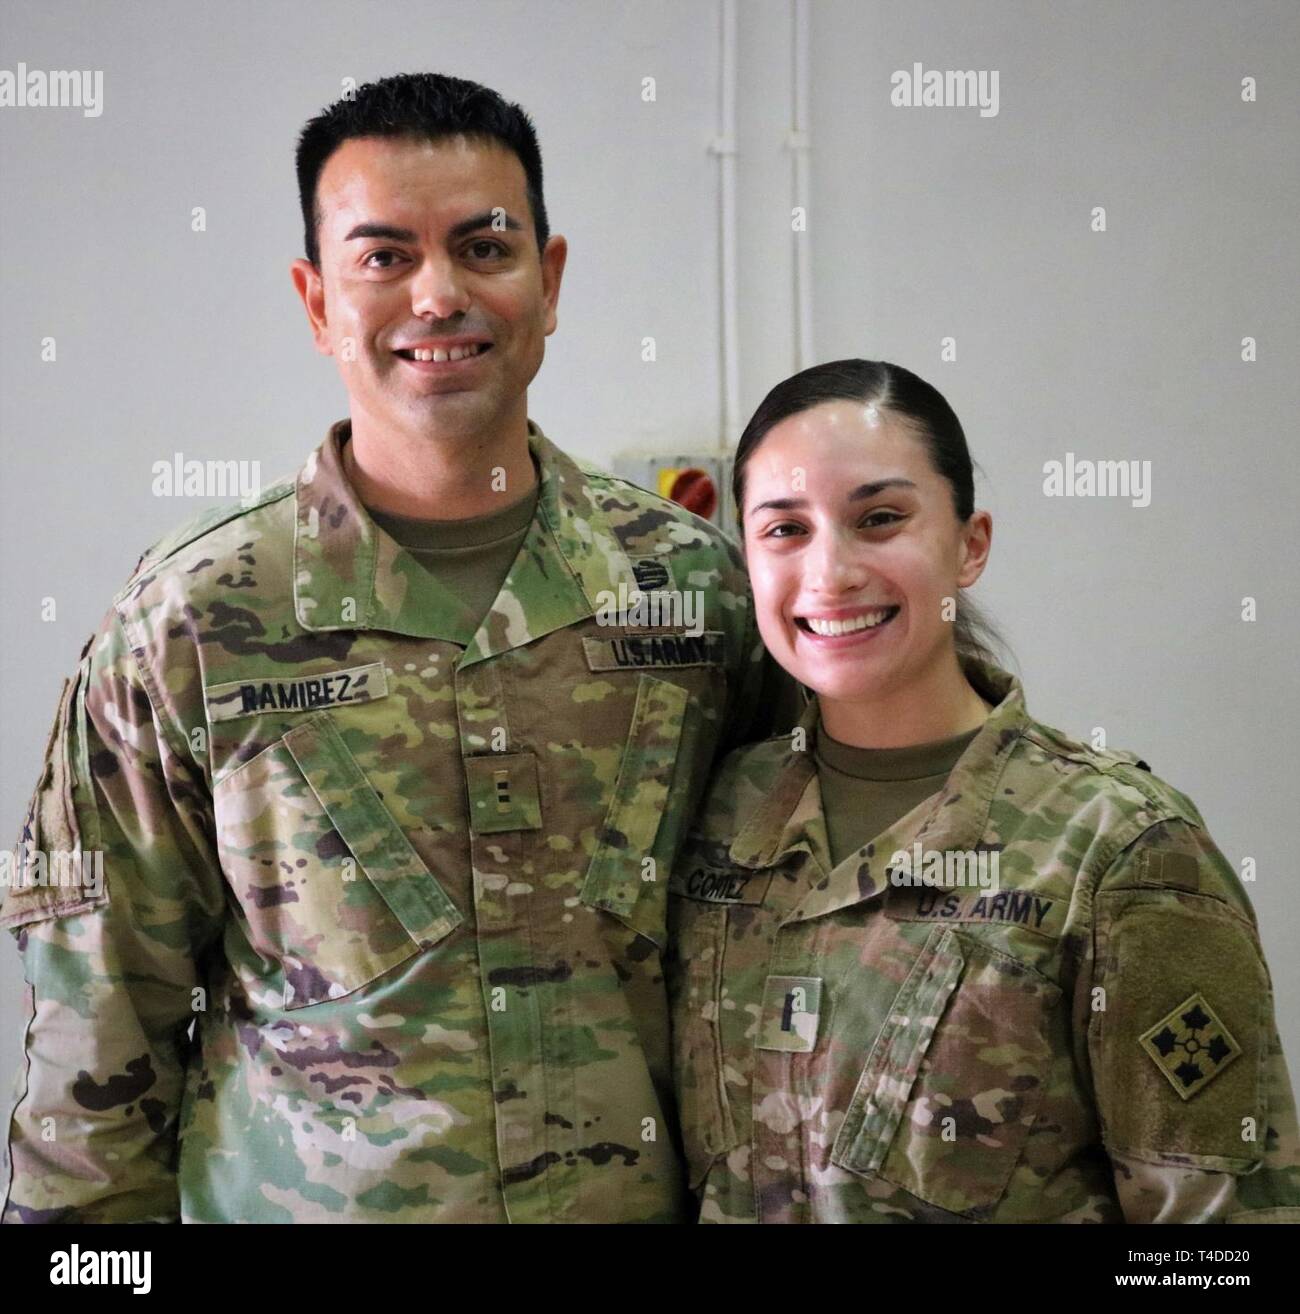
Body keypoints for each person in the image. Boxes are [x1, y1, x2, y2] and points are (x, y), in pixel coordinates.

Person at [0, 72, 792, 1224]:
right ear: (317, 302)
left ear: (548, 280)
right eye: (384, 257)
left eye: (483, 247)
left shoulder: (694, 595)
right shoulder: (193, 621)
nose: (439, 294)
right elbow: (94, 1043)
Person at [666, 358, 1300, 1223]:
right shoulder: (717, 816)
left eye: (880, 519)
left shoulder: (1120, 851)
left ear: (970, 545)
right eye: (785, 530)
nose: (831, 571)